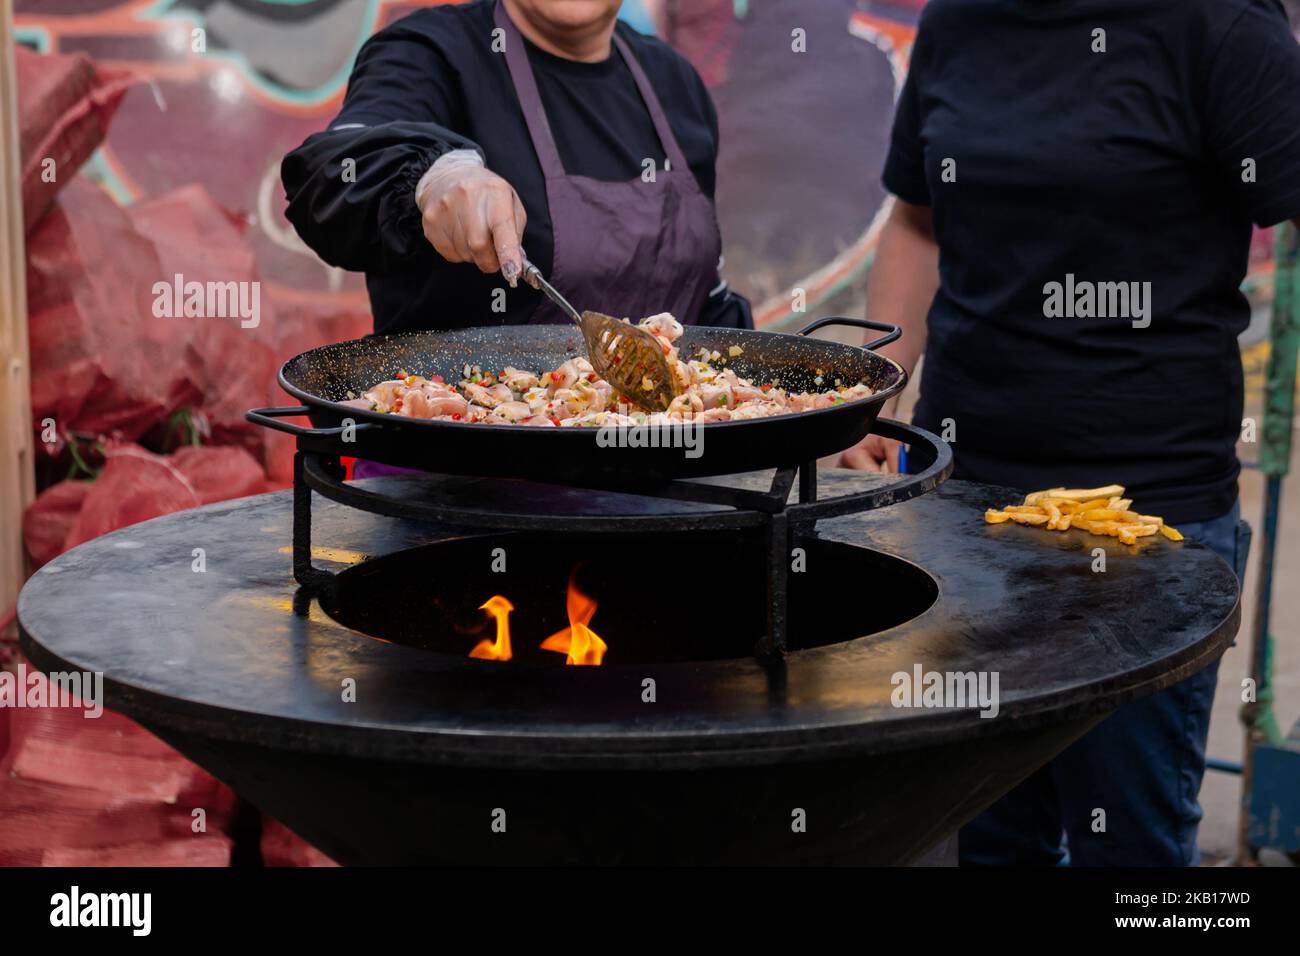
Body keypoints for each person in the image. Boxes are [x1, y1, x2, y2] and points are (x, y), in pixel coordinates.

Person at [844, 0, 1300, 865]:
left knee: (1134, 848)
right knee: (991, 834)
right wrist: (881, 392)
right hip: (966, 512)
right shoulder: (959, 21)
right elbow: (914, 218)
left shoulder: (1221, 25)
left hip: (1149, 530)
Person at [281, 0, 750, 333]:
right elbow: (334, 171)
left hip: (665, 463)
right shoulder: (430, 52)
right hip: (452, 463)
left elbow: (703, 302)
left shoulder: (673, 81)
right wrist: (432, 178)